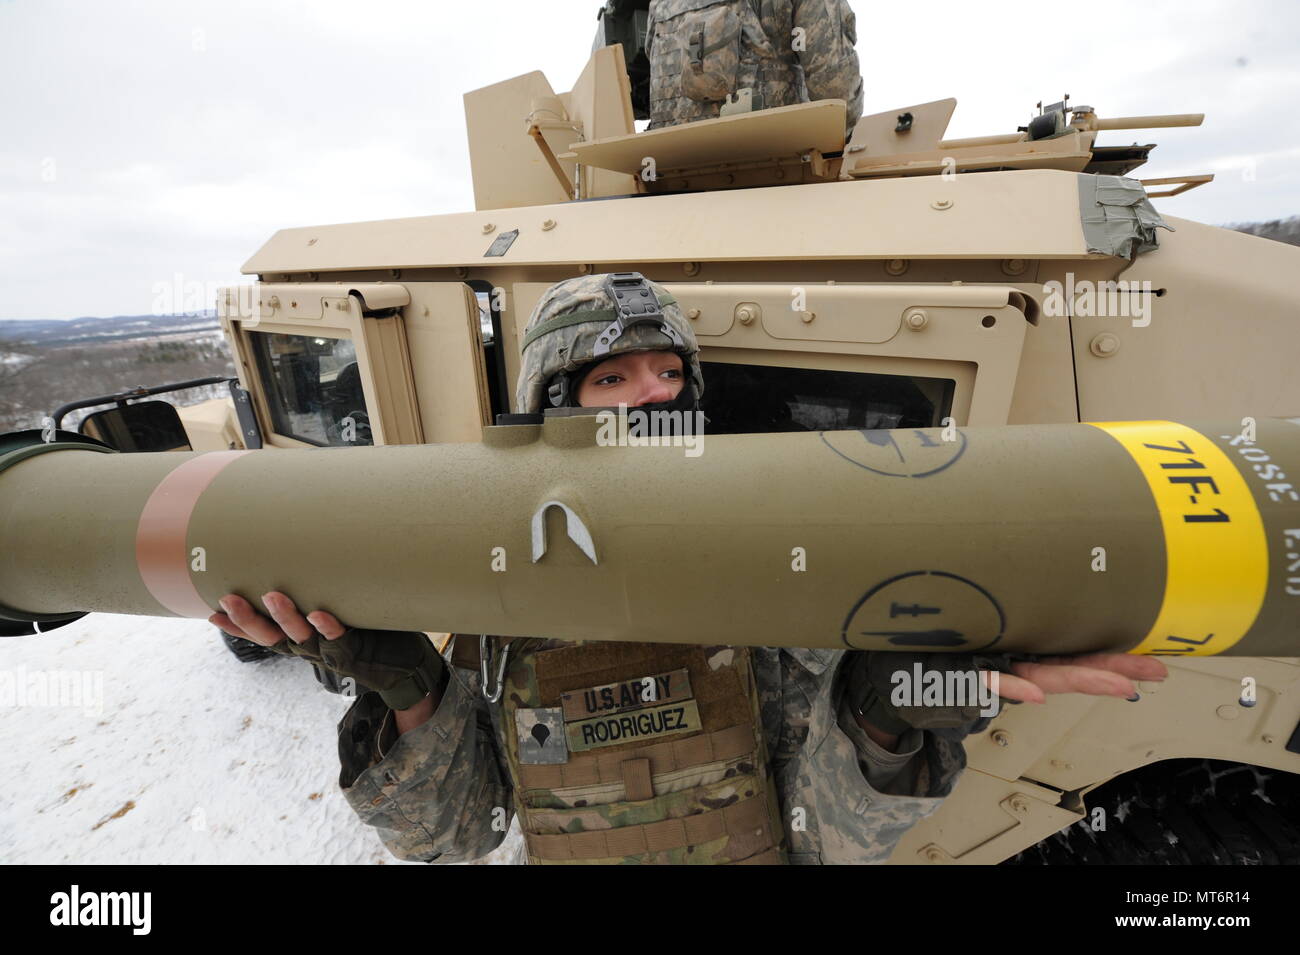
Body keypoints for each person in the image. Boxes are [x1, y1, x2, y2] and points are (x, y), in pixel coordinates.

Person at [212, 272, 1167, 864]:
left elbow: (828, 838)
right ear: (556, 402)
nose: (651, 397)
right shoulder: (509, 591)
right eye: (611, 379)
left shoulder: (756, 571)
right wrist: (412, 698)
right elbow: (453, 839)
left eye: (668, 374)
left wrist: (879, 720)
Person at [646, 0, 865, 137]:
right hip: (775, 174)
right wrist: (839, 138)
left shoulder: (660, 4)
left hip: (673, 181)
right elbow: (836, 91)